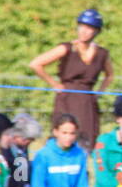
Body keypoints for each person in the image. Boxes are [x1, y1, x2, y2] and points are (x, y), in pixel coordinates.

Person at [28, 9, 113, 150]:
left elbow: (109, 75)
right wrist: (54, 84)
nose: (84, 31)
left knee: (86, 140)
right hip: (67, 98)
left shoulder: (102, 53)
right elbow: (36, 64)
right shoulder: (66, 48)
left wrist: (100, 92)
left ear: (96, 31)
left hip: (87, 100)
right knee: (63, 136)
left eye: (89, 28)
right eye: (82, 27)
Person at [31, 113, 96, 187]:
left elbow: (82, 185)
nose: (68, 137)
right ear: (56, 132)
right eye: (64, 133)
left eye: (72, 133)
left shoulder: (80, 154)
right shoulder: (43, 155)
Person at [3, 112, 43, 187]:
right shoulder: (5, 150)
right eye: (28, 139)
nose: (29, 142)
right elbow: (17, 179)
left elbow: (22, 177)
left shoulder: (21, 149)